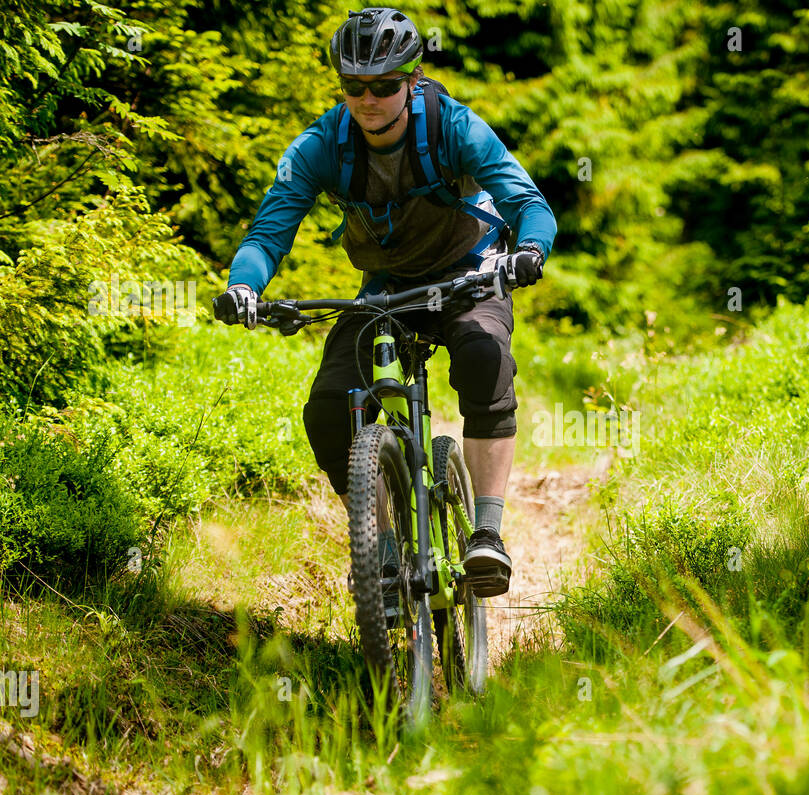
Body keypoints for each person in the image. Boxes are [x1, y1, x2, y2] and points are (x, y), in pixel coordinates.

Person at [214, 7, 556, 597]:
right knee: (326, 411)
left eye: (384, 85)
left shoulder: (454, 127)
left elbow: (528, 201)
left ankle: (487, 534)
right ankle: (381, 549)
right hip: (388, 289)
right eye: (354, 85)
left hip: (468, 274)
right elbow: (270, 229)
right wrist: (245, 286)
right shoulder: (324, 143)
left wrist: (526, 250)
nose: (368, 98)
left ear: (412, 79)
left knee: (482, 357)